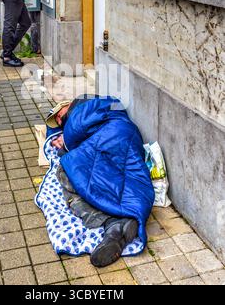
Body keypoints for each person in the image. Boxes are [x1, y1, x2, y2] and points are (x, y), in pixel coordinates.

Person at [46, 95, 155, 268]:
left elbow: (81, 124)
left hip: (117, 133)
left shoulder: (82, 106)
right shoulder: (88, 110)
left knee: (67, 170)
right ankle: (115, 229)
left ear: (66, 105)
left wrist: (66, 142)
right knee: (114, 179)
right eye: (58, 123)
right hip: (122, 135)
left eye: (59, 115)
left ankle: (111, 223)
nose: (60, 121)